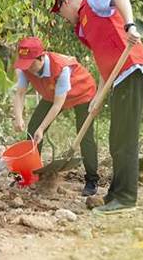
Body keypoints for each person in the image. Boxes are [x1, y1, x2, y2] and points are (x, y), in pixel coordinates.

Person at [51, 0, 143, 213]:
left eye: (60, 13)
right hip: (119, 77)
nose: (63, 18)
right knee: (117, 139)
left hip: (133, 69)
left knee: (125, 138)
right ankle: (116, 194)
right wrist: (98, 94)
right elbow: (104, 60)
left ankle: (126, 198)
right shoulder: (84, 28)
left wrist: (129, 25)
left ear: (65, 3)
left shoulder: (93, 0)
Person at [12, 37, 99, 196]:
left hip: (82, 92)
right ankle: (30, 174)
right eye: (26, 64)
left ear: (41, 57)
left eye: (32, 63)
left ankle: (92, 180)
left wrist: (42, 128)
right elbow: (20, 93)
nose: (29, 68)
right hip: (52, 94)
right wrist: (18, 118)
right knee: (32, 129)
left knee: (85, 135)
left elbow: (58, 104)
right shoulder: (25, 68)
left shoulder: (61, 68)